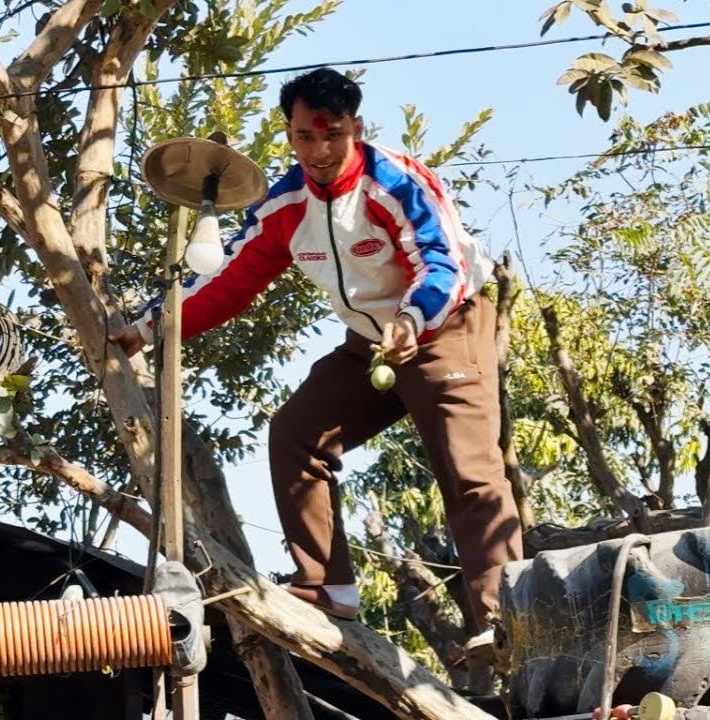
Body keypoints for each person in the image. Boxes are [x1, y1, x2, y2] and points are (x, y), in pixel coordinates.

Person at [110, 67, 522, 655]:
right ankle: (328, 586)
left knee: (468, 470)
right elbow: (228, 277)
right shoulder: (286, 202)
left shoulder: (395, 183)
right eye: (306, 137)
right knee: (296, 433)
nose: (320, 151)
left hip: (442, 328)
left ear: (355, 127)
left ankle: (505, 618)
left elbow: (443, 263)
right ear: (290, 135)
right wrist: (148, 328)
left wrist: (411, 320)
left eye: (332, 135)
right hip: (370, 342)